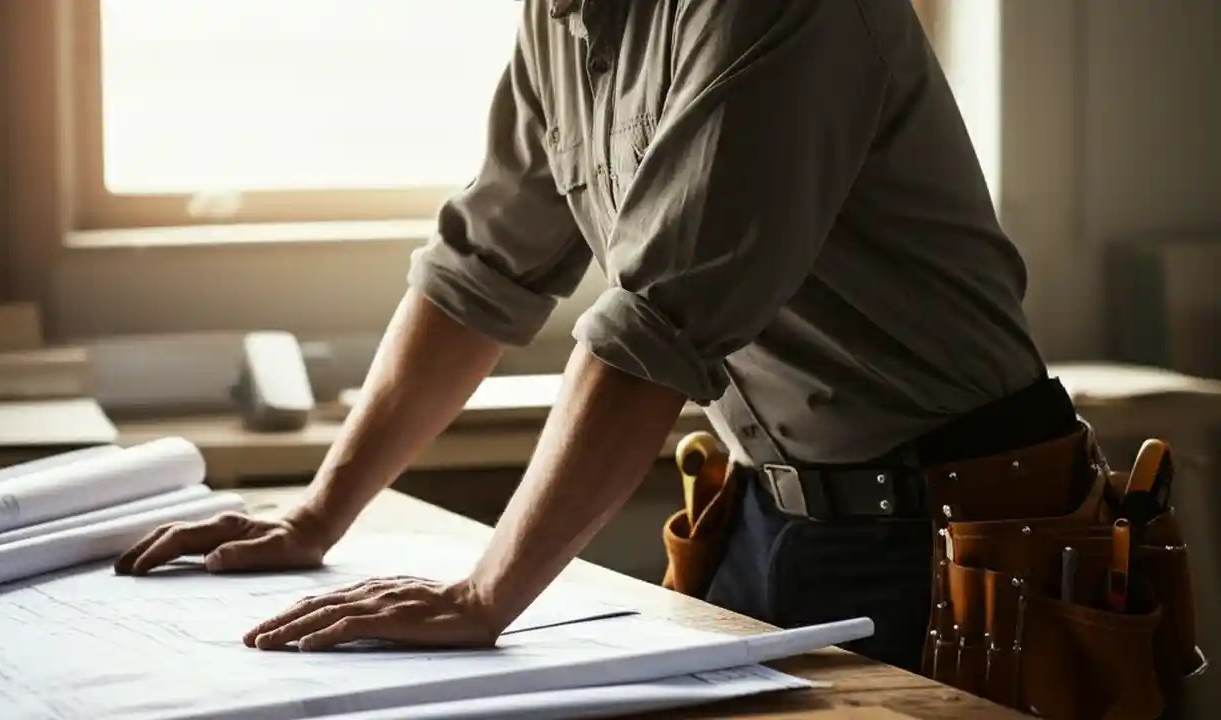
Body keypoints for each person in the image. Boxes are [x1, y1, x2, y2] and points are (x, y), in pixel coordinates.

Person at [116, 0, 1079, 672]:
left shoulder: (774, 6)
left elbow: (654, 325)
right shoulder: (563, 16)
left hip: (964, 526)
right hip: (765, 515)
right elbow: (479, 269)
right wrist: (315, 516)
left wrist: (484, 596)